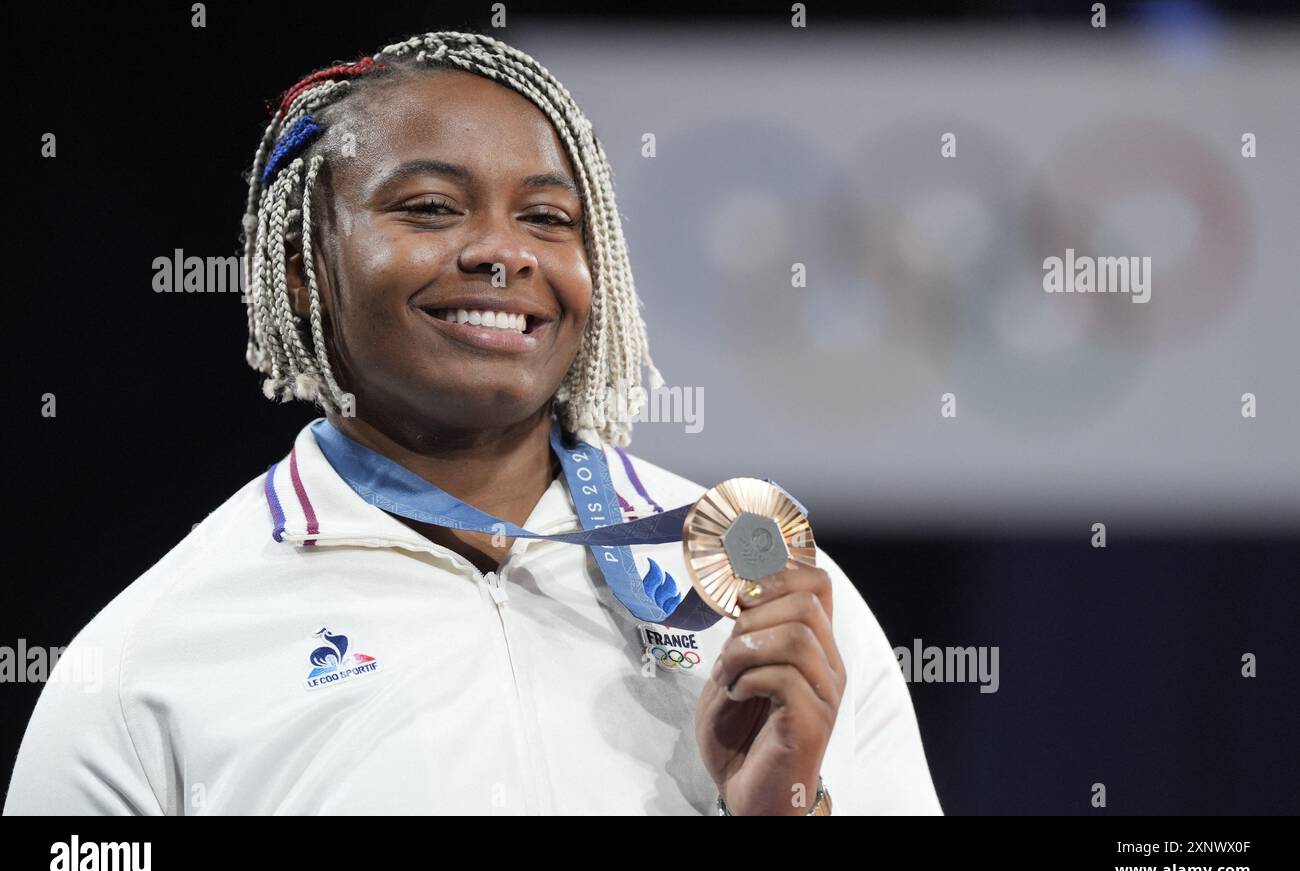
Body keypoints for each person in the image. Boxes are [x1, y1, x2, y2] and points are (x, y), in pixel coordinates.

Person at [3, 31, 942, 816]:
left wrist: (788, 806)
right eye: (430, 207)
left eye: (547, 218)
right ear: (303, 261)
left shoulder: (765, 594)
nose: (501, 252)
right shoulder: (149, 662)